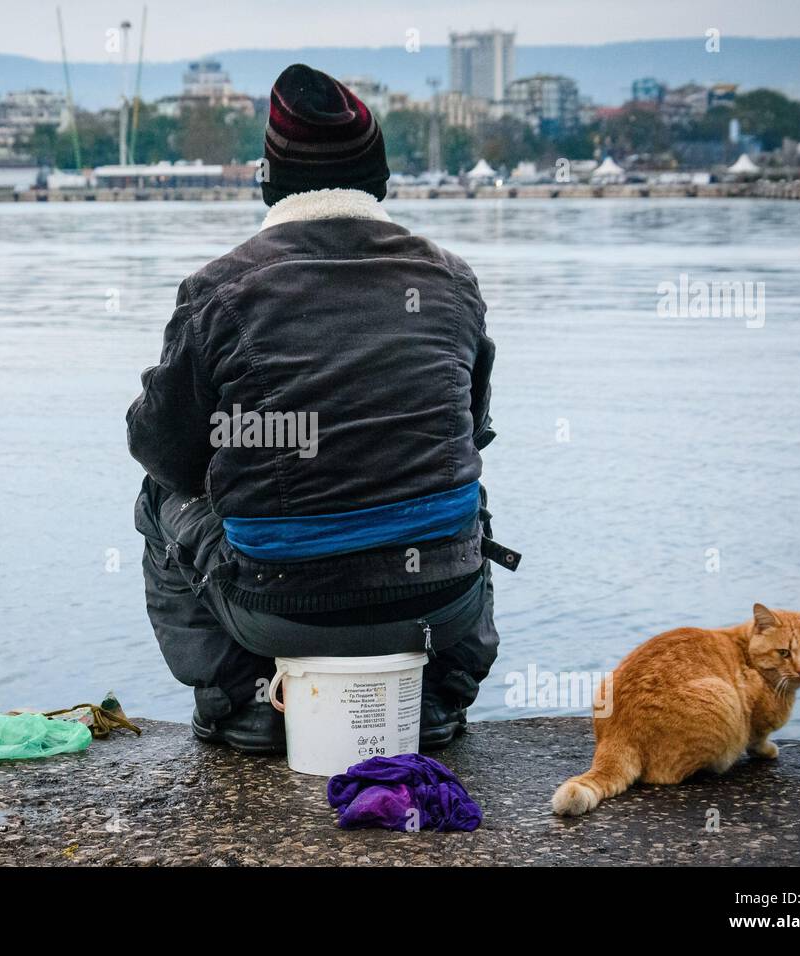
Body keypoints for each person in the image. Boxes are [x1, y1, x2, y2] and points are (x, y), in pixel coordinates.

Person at [127, 64, 516, 754]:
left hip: (281, 607)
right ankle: (436, 703)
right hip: (437, 602)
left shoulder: (220, 290)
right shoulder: (453, 280)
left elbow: (166, 453)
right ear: (382, 183)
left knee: (159, 499)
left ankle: (240, 705)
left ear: (268, 182)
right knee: (466, 491)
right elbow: (474, 428)